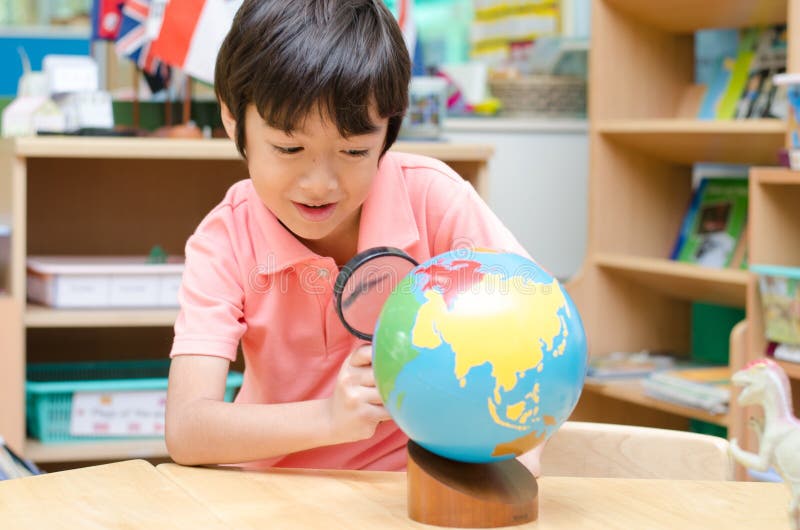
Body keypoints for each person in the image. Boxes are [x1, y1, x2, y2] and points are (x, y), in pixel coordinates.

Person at [166, 0, 542, 474]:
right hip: (270, 496)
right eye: (289, 147)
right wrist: (329, 418)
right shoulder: (225, 239)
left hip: (411, 494)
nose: (321, 183)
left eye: (353, 150)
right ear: (232, 119)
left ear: (388, 133)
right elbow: (186, 428)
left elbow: (539, 334)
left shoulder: (435, 201)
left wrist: (505, 489)